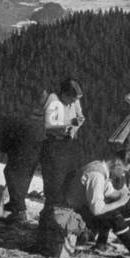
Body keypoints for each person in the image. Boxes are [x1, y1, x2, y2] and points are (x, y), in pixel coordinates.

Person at [66, 156, 130, 258]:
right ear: (117, 165)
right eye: (124, 171)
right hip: (77, 212)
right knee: (113, 216)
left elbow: (109, 193)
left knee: (128, 205)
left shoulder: (103, 169)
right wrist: (120, 202)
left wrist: (125, 195)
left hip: (85, 207)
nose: (123, 175)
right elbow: (96, 209)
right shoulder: (97, 175)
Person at [0, 115, 44, 223]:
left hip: (28, 138)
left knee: (12, 172)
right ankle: (16, 203)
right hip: (36, 136)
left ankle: (19, 212)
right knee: (22, 172)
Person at [39, 77, 86, 214]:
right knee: (54, 182)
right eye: (71, 99)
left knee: (68, 180)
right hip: (54, 143)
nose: (74, 102)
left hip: (68, 143)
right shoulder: (54, 100)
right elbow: (49, 125)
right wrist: (69, 122)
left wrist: (78, 120)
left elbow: (80, 115)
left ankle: (61, 212)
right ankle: (49, 212)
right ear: (64, 95)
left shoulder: (74, 101)